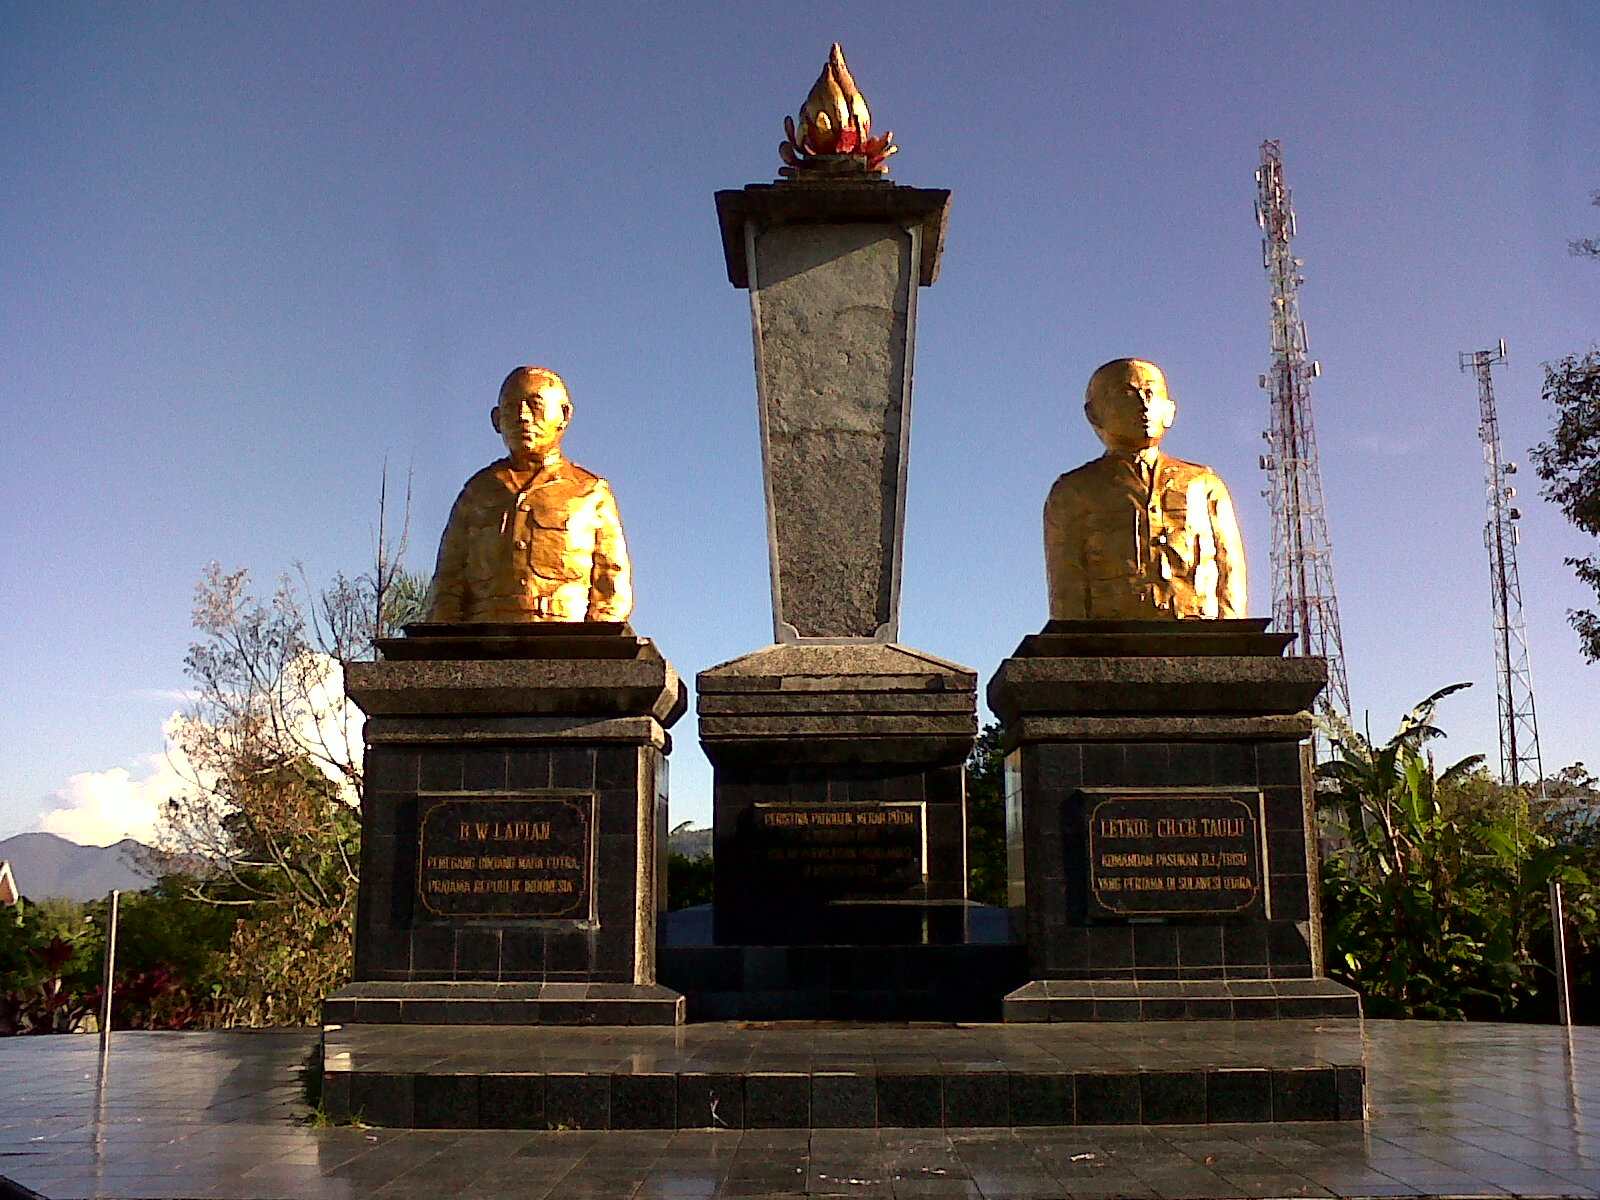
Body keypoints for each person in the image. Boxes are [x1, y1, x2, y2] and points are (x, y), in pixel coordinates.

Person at [424, 366, 632, 623]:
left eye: (535, 405)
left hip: (565, 639)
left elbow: (611, 581)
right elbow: (448, 578)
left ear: (564, 415)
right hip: (485, 639)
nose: (523, 416)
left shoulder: (590, 492)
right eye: (512, 408)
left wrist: (596, 649)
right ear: (496, 419)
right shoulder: (478, 493)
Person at [1044, 358, 1245, 620]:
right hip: (1111, 637)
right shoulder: (1073, 491)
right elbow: (1066, 583)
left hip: (1199, 629)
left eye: (1150, 393)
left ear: (1170, 410)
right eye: (1126, 394)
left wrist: (1233, 639)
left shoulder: (1204, 484)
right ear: (1094, 414)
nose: (1143, 404)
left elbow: (1230, 567)